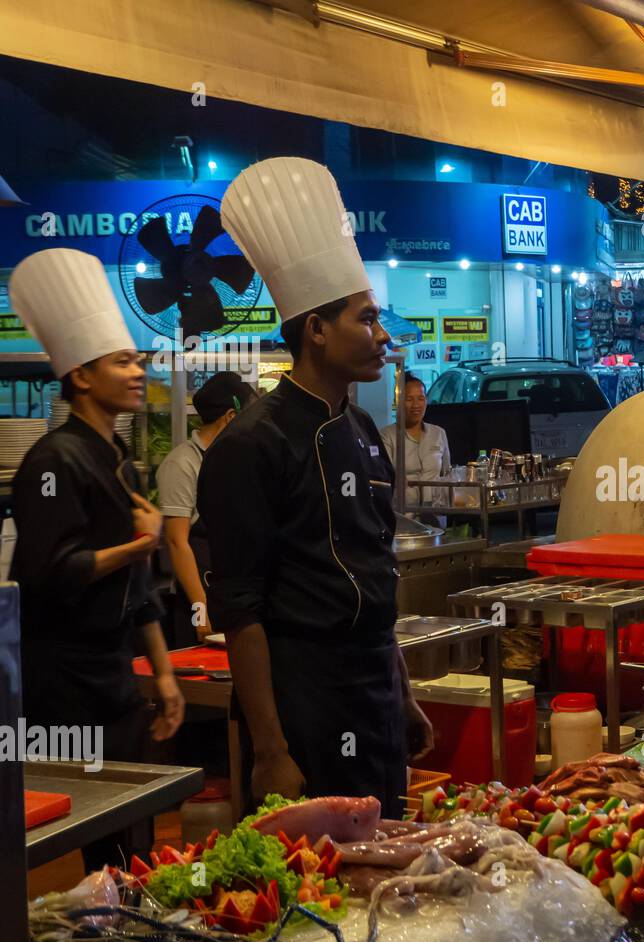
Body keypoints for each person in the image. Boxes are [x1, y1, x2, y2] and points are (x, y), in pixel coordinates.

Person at [198, 157, 433, 817]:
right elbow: (241, 609)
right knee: (319, 896)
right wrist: (271, 748)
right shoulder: (251, 444)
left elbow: (373, 569)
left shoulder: (359, 426)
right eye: (366, 320)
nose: (382, 336)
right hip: (304, 698)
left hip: (375, 695)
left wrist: (403, 693)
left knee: (388, 882)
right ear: (316, 330)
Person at [8, 248, 185, 871]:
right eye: (123, 362)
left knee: (129, 835)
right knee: (86, 836)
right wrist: (141, 543)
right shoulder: (55, 462)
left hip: (114, 675)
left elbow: (137, 588)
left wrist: (162, 674)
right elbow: (49, 574)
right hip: (65, 684)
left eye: (138, 360)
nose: (139, 372)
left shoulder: (117, 458)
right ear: (81, 377)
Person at [156, 371, 257, 644]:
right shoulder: (182, 464)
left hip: (235, 597)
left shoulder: (238, 460)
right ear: (231, 418)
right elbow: (177, 542)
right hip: (197, 599)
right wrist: (200, 610)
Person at [378, 372, 451, 516]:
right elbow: (383, 475)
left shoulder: (438, 433)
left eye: (421, 398)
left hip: (435, 514)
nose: (416, 405)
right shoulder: (387, 435)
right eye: (409, 399)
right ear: (399, 401)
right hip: (403, 515)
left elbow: (446, 473)